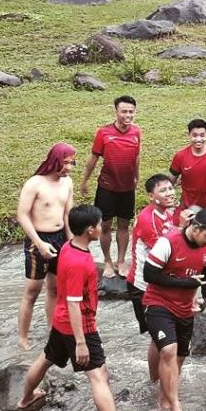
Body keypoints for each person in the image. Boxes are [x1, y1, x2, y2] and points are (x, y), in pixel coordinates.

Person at [17, 204, 148, 411]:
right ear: (90, 230)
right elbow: (76, 304)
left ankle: (25, 400)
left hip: (60, 320)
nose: (102, 228)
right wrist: (80, 342)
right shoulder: (80, 262)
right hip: (79, 325)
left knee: (46, 358)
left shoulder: (68, 247)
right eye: (99, 225)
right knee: (99, 376)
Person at [143, 208, 206, 411]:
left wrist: (205, 300)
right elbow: (149, 274)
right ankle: (176, 408)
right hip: (158, 303)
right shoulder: (168, 243)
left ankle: (164, 397)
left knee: (178, 358)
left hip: (185, 308)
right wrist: (185, 283)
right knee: (168, 350)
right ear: (195, 228)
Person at [15, 143, 75, 350]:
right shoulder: (35, 183)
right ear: (55, 161)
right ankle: (23, 337)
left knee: (55, 288)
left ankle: (53, 329)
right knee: (32, 290)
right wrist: (39, 243)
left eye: (72, 163)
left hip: (60, 237)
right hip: (37, 238)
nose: (69, 168)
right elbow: (22, 215)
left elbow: (68, 214)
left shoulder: (68, 183)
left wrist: (71, 243)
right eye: (66, 163)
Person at [126, 173, 182, 391]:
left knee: (161, 337)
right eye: (163, 190)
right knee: (157, 338)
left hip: (161, 283)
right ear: (151, 196)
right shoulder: (148, 220)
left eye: (170, 188)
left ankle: (160, 381)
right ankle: (155, 382)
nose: (169, 193)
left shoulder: (168, 212)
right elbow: (166, 254)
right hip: (144, 286)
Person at [79, 95, 141, 279]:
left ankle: (121, 261)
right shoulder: (104, 133)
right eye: (124, 111)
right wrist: (84, 181)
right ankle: (107, 261)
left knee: (124, 225)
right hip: (106, 187)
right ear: (116, 112)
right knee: (104, 226)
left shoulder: (137, 132)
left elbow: (137, 157)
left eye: (131, 112)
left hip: (127, 188)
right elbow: (93, 159)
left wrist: (136, 178)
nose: (127, 115)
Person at [169, 118, 206, 209]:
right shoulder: (180, 156)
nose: (198, 139)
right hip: (189, 207)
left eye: (202, 135)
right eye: (194, 135)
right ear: (189, 135)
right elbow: (171, 180)